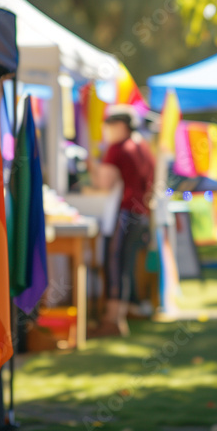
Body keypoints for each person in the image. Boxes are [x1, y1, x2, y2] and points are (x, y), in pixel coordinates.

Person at [90, 105, 155, 336]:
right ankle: (118, 319)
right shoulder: (143, 147)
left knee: (115, 265)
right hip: (139, 214)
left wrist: (92, 166)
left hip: (123, 213)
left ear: (119, 126)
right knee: (125, 266)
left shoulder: (118, 148)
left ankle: (112, 320)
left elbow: (104, 183)